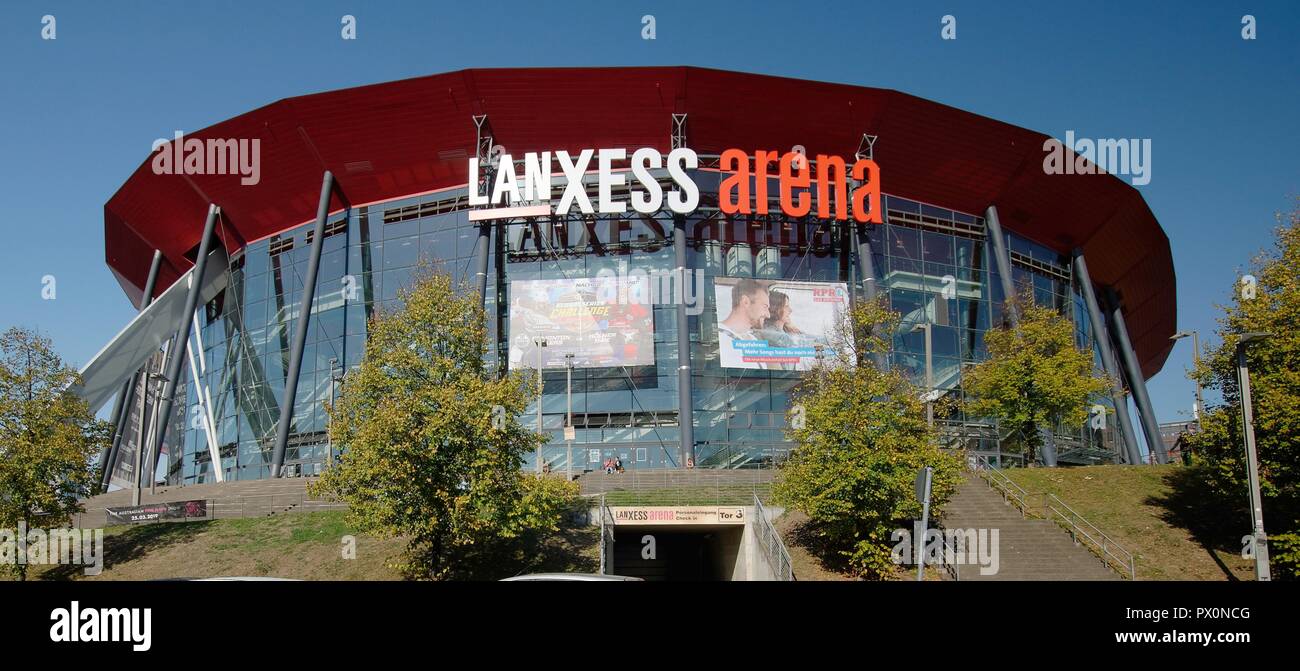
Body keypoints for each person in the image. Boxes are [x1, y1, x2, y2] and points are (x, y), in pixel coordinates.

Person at [717, 279, 771, 369]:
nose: (768, 315)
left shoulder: (754, 340)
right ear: (745, 302)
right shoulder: (720, 339)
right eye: (765, 306)